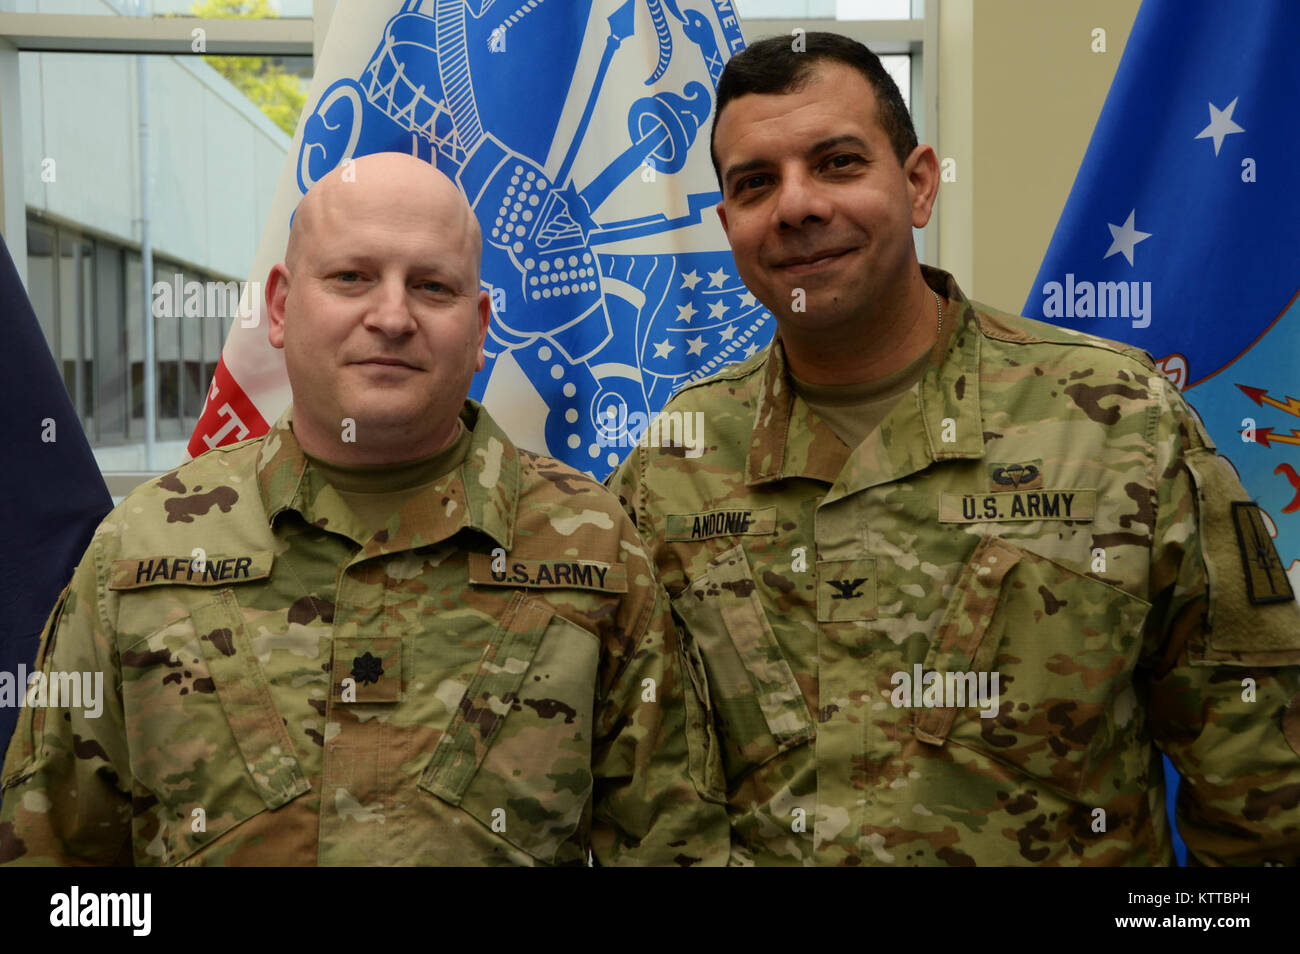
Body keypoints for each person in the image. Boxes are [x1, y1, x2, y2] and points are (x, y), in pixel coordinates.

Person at [607, 32, 1300, 866]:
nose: (796, 205)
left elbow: (1263, 794)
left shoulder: (1118, 423)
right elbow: (622, 775)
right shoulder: (671, 466)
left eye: (836, 163)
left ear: (919, 184)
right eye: (756, 183)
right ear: (729, 225)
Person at [0, 152, 727, 866]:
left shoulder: (593, 547)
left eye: (432, 287)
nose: (392, 316)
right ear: (281, 307)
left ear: (478, 328)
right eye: (352, 277)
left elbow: (672, 842)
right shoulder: (142, 546)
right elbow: (58, 862)